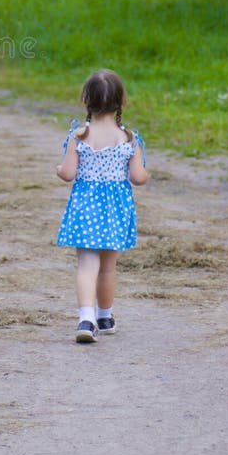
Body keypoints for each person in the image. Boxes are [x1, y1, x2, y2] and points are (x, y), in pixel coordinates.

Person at [56, 69, 148, 343]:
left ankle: (87, 318)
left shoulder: (79, 135)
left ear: (86, 100)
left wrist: (59, 168)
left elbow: (68, 174)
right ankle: (105, 316)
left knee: (87, 263)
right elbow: (138, 178)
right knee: (108, 267)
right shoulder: (130, 138)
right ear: (122, 101)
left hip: (86, 207)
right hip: (116, 210)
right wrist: (146, 173)